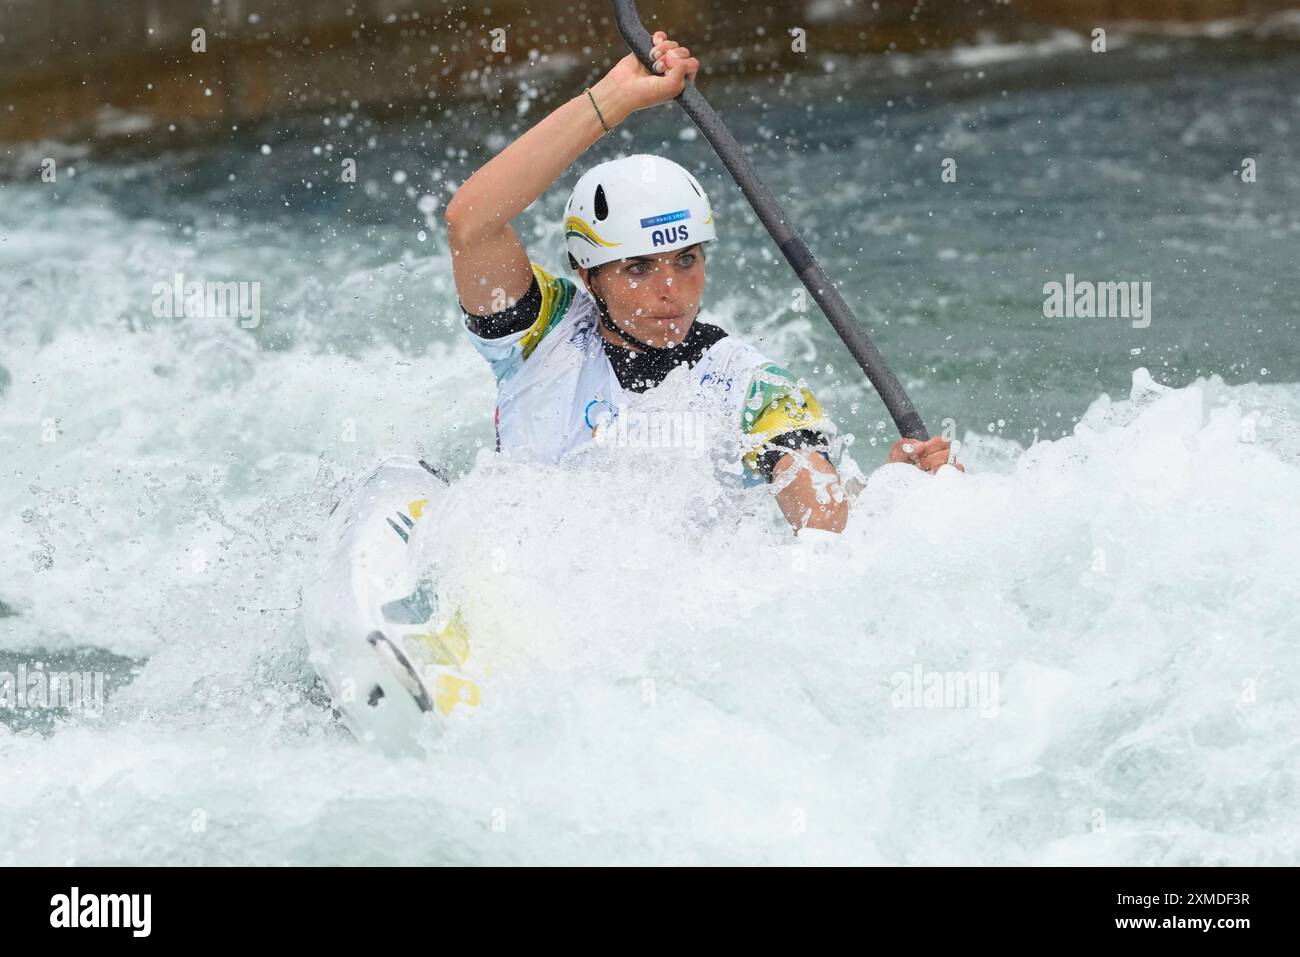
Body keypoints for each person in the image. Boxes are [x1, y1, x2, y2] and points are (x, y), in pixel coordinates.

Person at [444, 30, 961, 534]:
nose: (671, 288)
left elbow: (824, 530)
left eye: (686, 259)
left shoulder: (749, 383)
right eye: (639, 267)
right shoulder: (542, 331)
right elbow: (471, 222)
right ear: (589, 275)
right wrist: (614, 98)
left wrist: (895, 500)